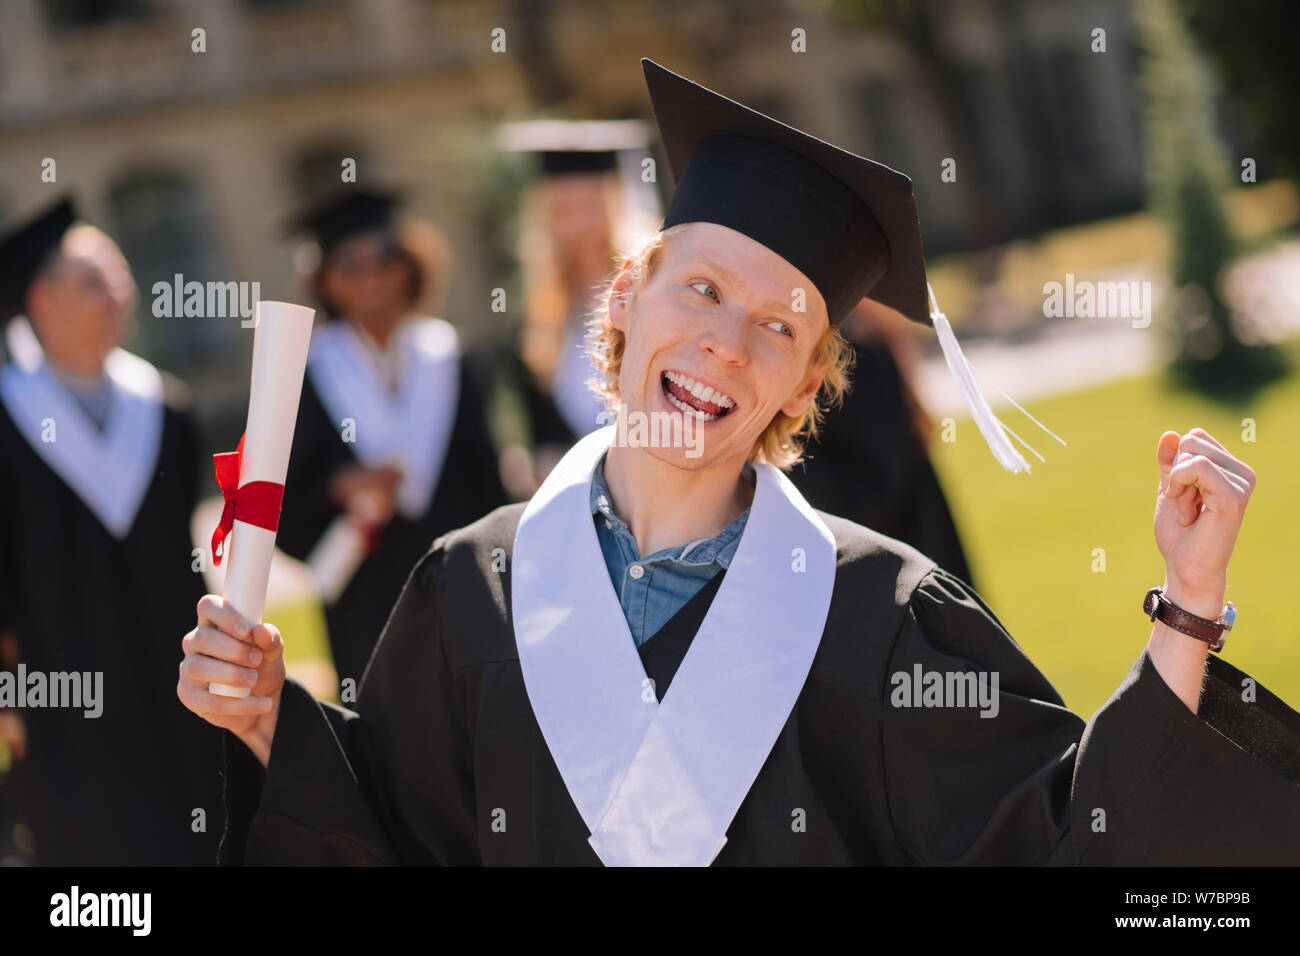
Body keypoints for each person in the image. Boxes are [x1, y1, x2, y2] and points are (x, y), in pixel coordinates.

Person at [179, 61, 1300, 865]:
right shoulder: (468, 588)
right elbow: (388, 826)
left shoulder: (885, 615)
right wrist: (272, 716)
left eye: (779, 326)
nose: (725, 341)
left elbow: (1070, 836)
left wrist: (1186, 606)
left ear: (807, 386)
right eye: (702, 288)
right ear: (624, 298)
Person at [0, 197, 224, 864]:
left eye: (119, 272)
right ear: (41, 301)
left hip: (178, 688)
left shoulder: (166, 407)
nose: (119, 290)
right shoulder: (10, 421)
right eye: (95, 279)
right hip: (62, 703)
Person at [274, 188, 509, 691]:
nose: (371, 277)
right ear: (325, 282)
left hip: (464, 584)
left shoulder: (451, 358)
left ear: (409, 264)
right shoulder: (304, 375)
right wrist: (340, 486)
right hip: (367, 602)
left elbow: (489, 483)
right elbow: (281, 504)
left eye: (385, 258)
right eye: (348, 265)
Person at [495, 120, 661, 490]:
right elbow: (543, 434)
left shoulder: (652, 287)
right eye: (564, 210)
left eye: (591, 207)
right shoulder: (543, 314)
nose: (579, 224)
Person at [793, 298, 976, 587]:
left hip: (898, 560)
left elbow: (876, 491)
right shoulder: (863, 337)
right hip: (911, 552)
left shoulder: (854, 353)